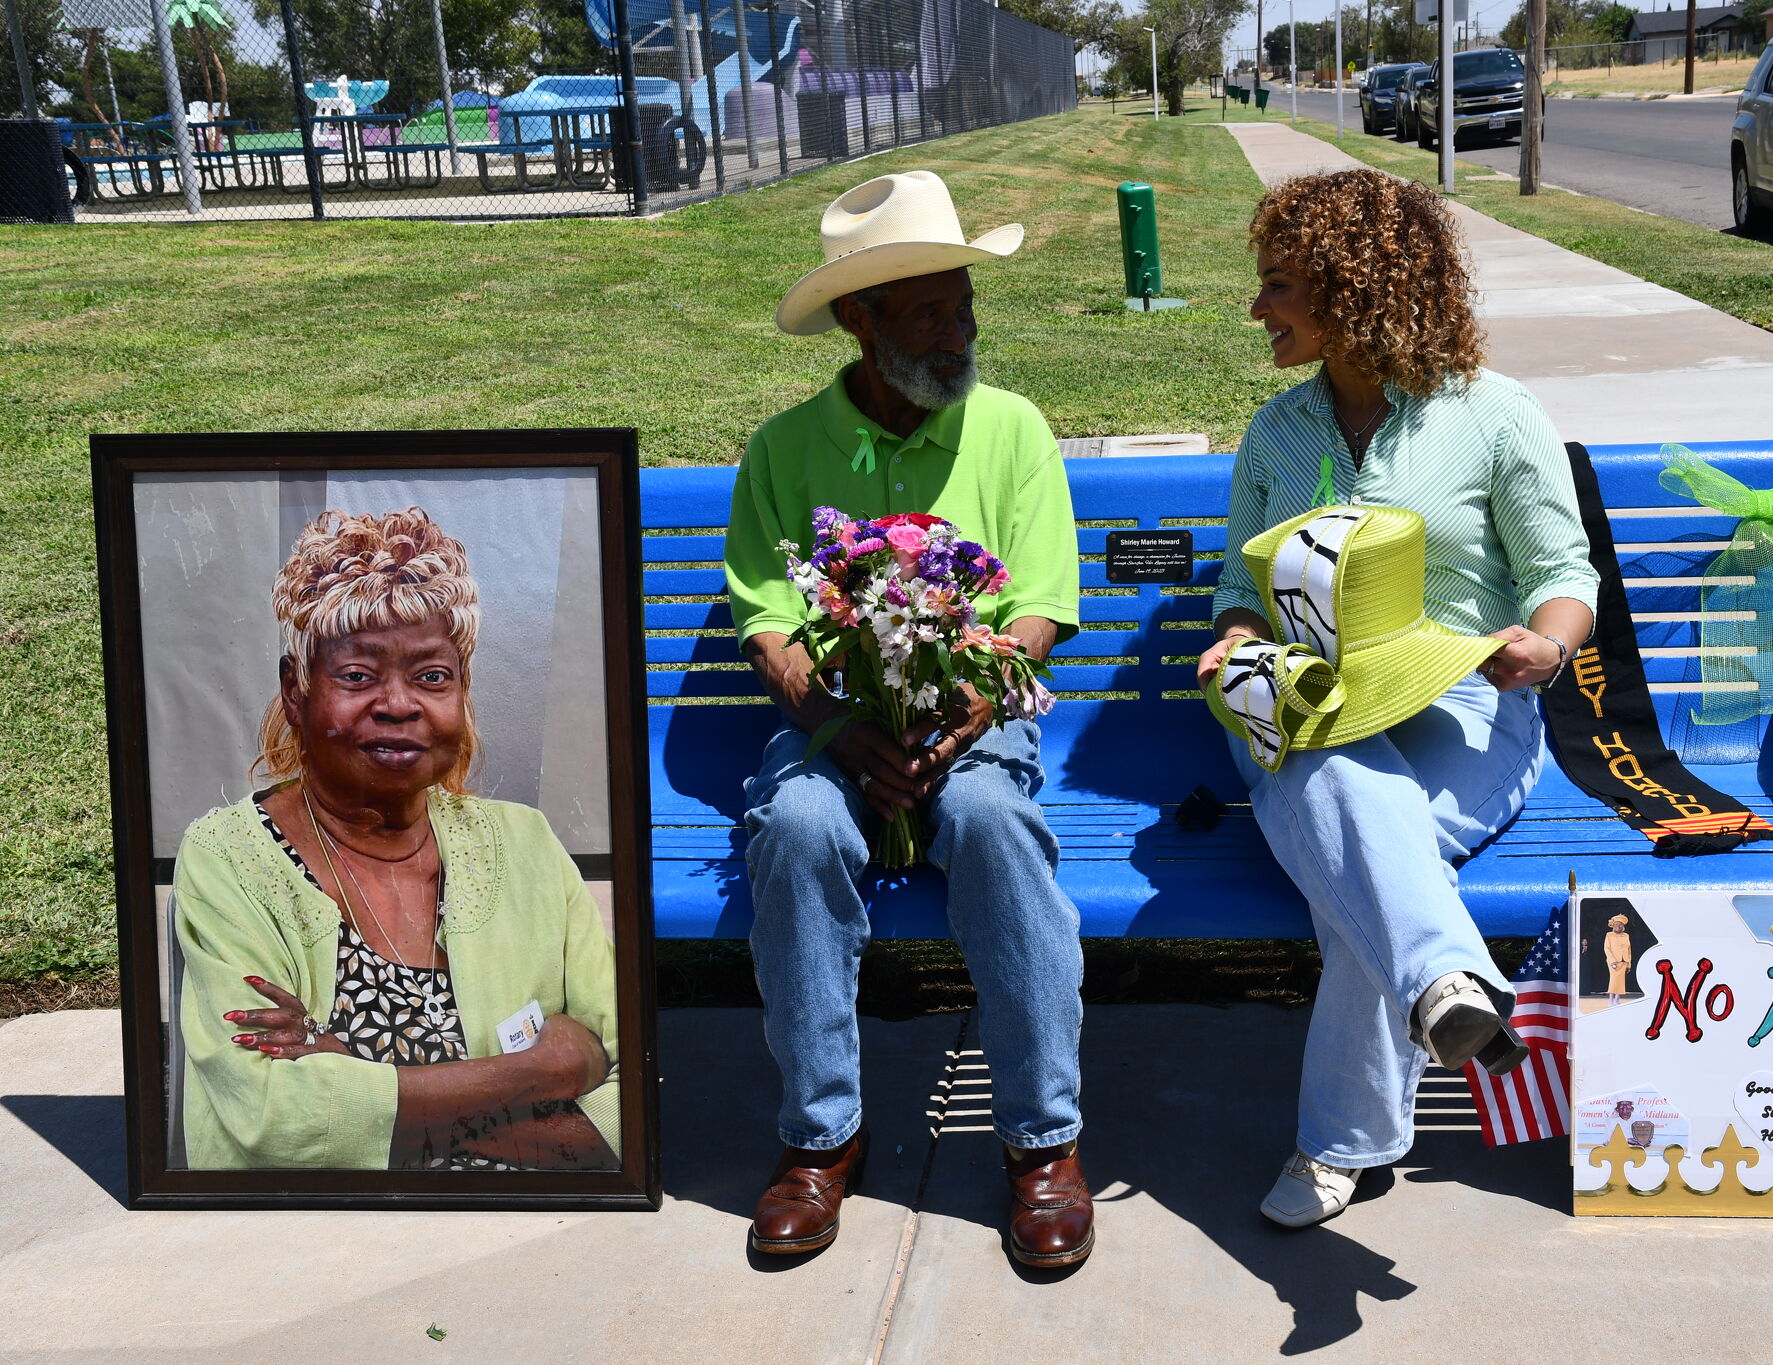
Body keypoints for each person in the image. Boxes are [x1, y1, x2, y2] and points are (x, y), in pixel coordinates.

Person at [1195, 169, 1599, 1228]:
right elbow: (1240, 589)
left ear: (1351, 289)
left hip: (1463, 709)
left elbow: (1563, 571)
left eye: (1277, 284)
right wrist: (1233, 647)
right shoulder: (1276, 433)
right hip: (1304, 707)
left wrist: (1544, 650)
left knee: (1368, 869)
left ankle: (1344, 1139)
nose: (1254, 310)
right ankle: (1442, 987)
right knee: (1336, 783)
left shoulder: (1493, 416)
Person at [724, 170, 1090, 1267]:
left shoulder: (1011, 428)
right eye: (927, 310)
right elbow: (768, 623)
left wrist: (970, 706)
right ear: (858, 318)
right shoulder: (785, 448)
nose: (958, 329)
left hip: (976, 724)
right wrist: (838, 725)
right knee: (795, 829)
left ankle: (1041, 1145)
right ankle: (820, 1138)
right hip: (838, 728)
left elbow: (1038, 606)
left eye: (963, 303)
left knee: (989, 826)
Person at [173, 507, 620, 1171]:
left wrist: (360, 1075)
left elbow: (630, 1095)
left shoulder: (525, 843)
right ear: (295, 691)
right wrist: (549, 1068)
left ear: (462, 691)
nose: (398, 703)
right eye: (357, 675)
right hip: (333, 1244)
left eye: (432, 676)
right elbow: (273, 1122)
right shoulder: (229, 860)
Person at [1605, 915, 1634, 1008]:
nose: (1618, 926)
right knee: (1614, 979)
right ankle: (1610, 998)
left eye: (1620, 925)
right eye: (1616, 924)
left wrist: (1629, 964)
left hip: (1624, 960)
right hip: (1613, 961)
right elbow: (1607, 948)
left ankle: (1617, 998)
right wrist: (1612, 961)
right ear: (1613, 925)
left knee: (1621, 981)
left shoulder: (1626, 935)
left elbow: (1629, 950)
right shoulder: (1609, 935)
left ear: (1623, 926)